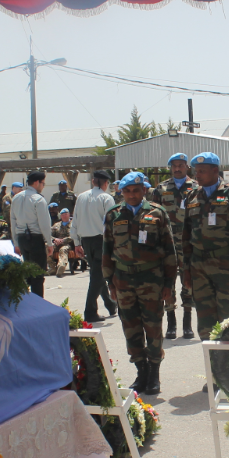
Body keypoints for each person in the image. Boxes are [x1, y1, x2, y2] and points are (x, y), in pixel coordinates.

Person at [102, 172, 176, 396]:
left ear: (144, 190)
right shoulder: (113, 215)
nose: (132, 195)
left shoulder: (157, 213)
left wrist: (169, 283)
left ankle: (154, 373)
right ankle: (141, 371)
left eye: (136, 190)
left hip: (151, 280)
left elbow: (169, 251)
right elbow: (107, 249)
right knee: (130, 328)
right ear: (121, 192)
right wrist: (110, 282)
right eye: (127, 191)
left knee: (153, 327)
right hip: (123, 280)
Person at [181, 152, 229, 341]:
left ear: (215, 171)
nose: (197, 175)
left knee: (227, 319)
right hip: (198, 266)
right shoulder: (192, 196)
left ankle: (228, 366)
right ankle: (211, 365)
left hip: (225, 266)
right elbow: (186, 236)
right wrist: (186, 270)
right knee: (204, 320)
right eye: (196, 171)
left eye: (202, 171)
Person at [151, 152, 199, 339]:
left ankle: (187, 322)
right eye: (174, 165)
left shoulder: (196, 187)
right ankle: (171, 323)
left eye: (181, 165)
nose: (177, 168)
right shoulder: (161, 189)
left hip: (189, 243)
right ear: (170, 168)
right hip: (167, 244)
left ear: (187, 167)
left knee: (189, 282)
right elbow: (152, 215)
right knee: (168, 282)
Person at [71, 171, 118, 323]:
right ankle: (90, 311)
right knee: (98, 276)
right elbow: (112, 222)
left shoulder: (81, 197)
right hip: (101, 240)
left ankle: (110, 305)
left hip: (86, 240)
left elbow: (75, 220)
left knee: (98, 274)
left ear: (93, 181)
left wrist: (76, 242)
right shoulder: (106, 198)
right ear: (106, 183)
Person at [11, 171, 55, 297]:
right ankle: (38, 305)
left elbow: (13, 221)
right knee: (37, 275)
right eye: (43, 183)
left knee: (27, 273)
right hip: (35, 239)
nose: (43, 186)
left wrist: (16, 242)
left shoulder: (16, 198)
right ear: (36, 183)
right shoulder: (38, 199)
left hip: (22, 238)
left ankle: (25, 301)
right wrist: (49, 242)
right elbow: (44, 223)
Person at [48, 208, 74, 277]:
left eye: (66, 214)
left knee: (63, 250)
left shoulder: (73, 225)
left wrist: (63, 240)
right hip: (56, 243)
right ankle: (52, 267)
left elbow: (74, 236)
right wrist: (55, 239)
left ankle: (61, 266)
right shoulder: (56, 225)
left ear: (69, 215)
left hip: (68, 244)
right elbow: (49, 235)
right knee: (47, 246)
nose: (64, 216)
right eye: (62, 215)